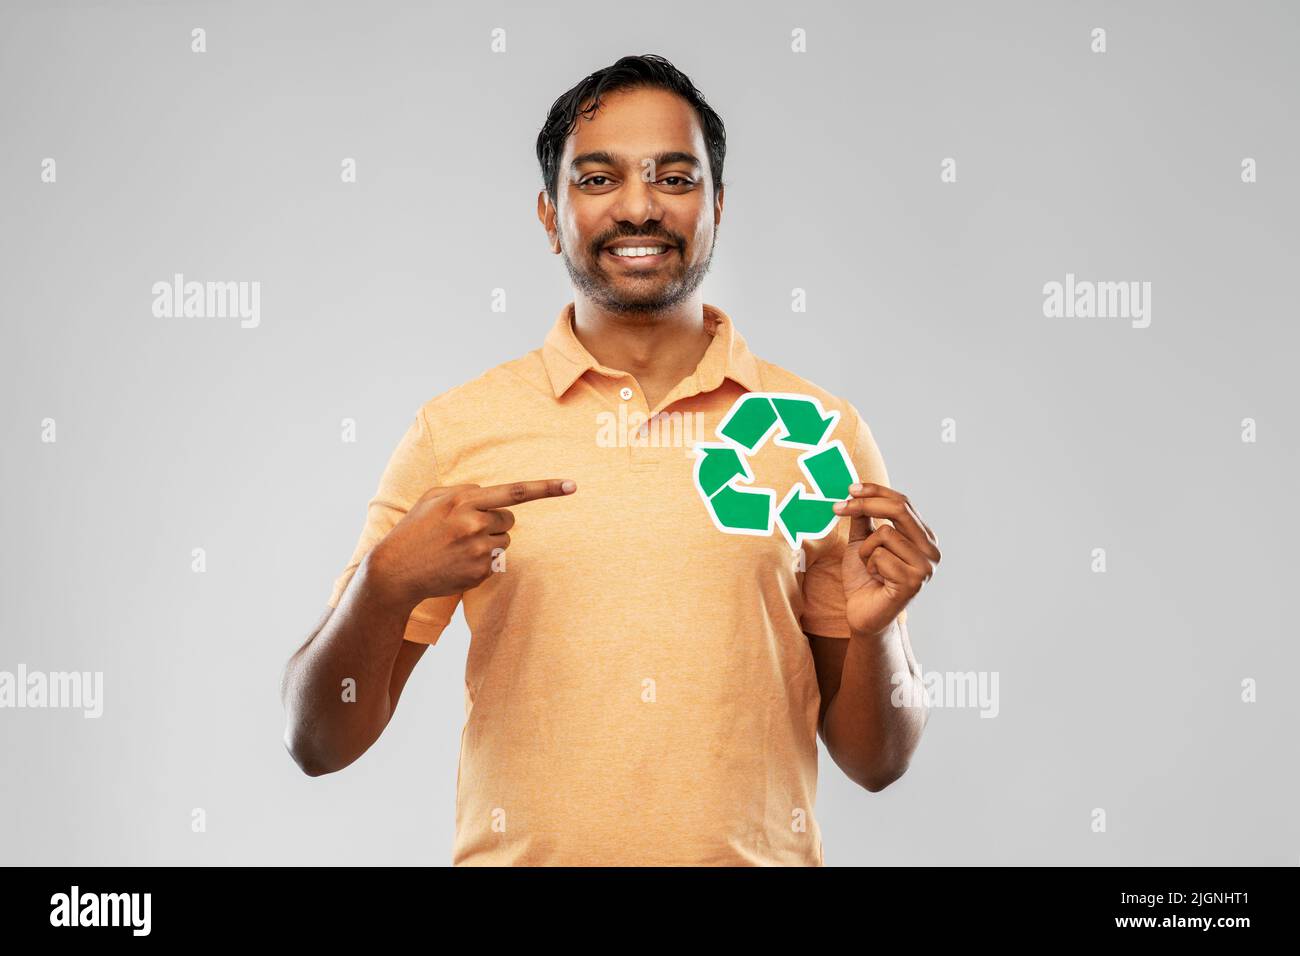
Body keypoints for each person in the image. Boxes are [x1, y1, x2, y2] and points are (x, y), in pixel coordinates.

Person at [280, 53, 941, 866]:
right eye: (597, 180)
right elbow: (316, 742)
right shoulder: (457, 433)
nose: (639, 207)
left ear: (718, 206)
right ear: (549, 216)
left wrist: (876, 640)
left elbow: (878, 762)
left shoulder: (818, 431)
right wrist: (384, 587)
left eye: (674, 176)